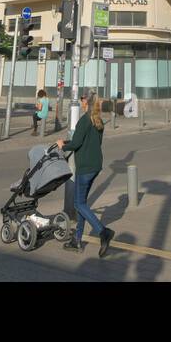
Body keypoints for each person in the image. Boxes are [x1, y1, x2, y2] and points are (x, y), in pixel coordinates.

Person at [56, 92, 115, 257]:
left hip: (85, 168)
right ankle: (77, 240)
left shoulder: (84, 120)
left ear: (86, 102)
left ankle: (103, 232)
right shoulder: (98, 121)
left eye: (82, 100)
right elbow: (92, 141)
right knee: (81, 203)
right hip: (95, 166)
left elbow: (76, 144)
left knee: (78, 204)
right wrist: (71, 143)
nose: (81, 102)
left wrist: (62, 145)